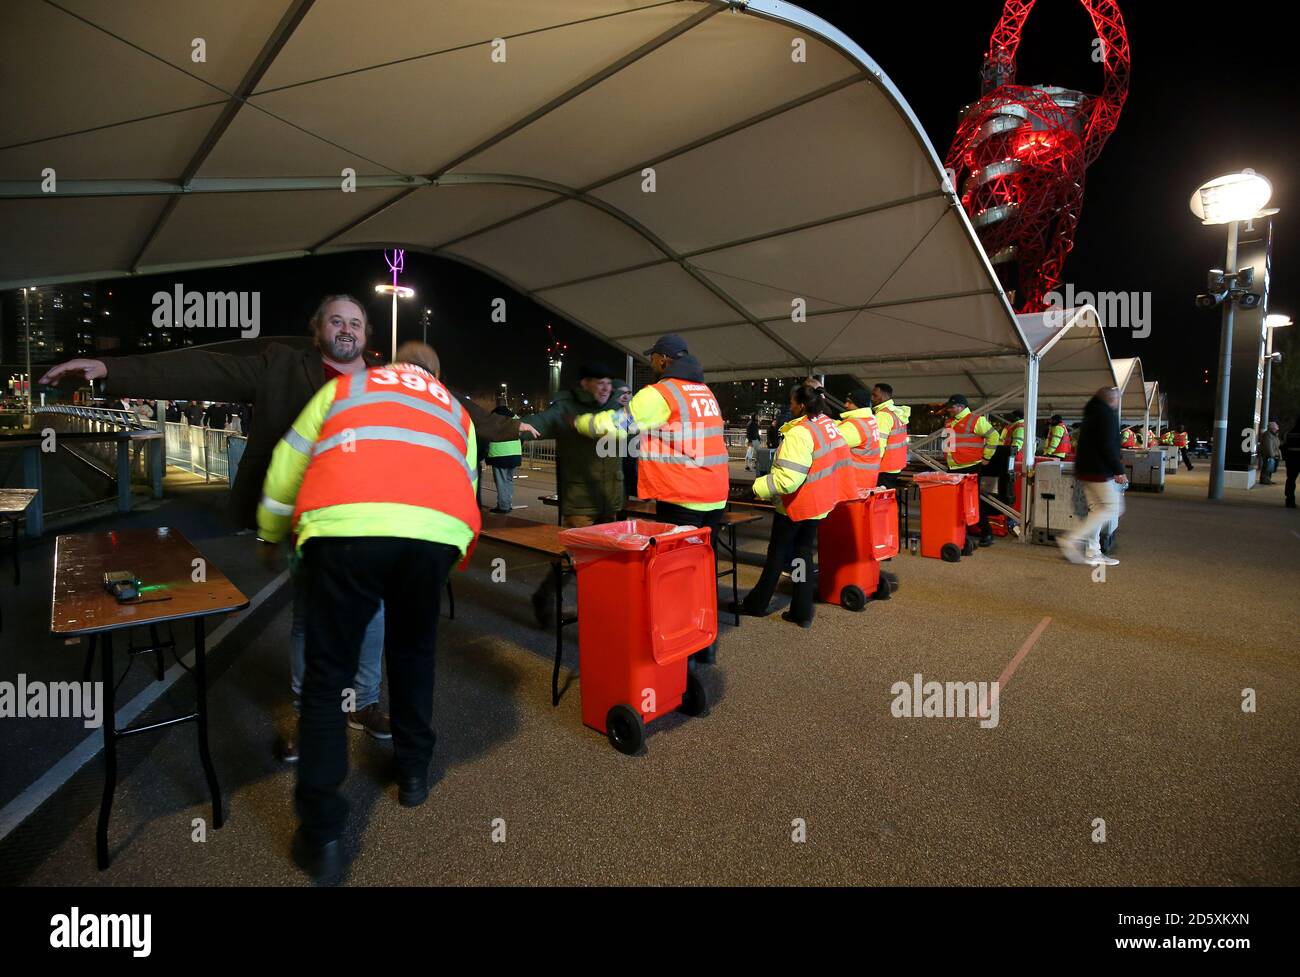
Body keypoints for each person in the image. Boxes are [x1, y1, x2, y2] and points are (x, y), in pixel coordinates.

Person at [40, 295, 530, 757]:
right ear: (317, 330)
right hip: (308, 519)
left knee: (375, 616)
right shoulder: (279, 364)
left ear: (367, 335)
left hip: (370, 520)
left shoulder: (384, 378)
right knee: (310, 619)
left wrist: (509, 426)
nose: (345, 329)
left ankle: (362, 703)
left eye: (355, 323)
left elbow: (449, 402)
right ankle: (309, 717)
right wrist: (113, 368)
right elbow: (206, 369)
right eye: (336, 321)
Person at [257, 341, 478, 884]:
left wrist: (269, 532)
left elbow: (289, 464)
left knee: (327, 675)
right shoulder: (455, 410)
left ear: (391, 364)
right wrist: (450, 553)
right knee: (414, 655)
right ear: (434, 374)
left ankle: (323, 834)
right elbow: (464, 485)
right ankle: (413, 774)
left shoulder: (346, 388)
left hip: (346, 531)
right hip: (433, 538)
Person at [574, 335, 729, 661]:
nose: (651, 364)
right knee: (701, 569)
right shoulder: (704, 392)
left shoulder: (662, 392)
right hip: (714, 495)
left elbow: (620, 424)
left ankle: (680, 650)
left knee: (677, 574)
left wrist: (585, 423)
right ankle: (705, 644)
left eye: (653, 359)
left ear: (662, 359)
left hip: (683, 495)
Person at [733, 384, 856, 628]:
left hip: (797, 505)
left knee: (776, 556)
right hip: (818, 503)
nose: (789, 407)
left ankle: (756, 604)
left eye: (791, 403)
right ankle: (801, 609)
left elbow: (788, 479)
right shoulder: (827, 425)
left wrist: (754, 490)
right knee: (802, 555)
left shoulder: (800, 433)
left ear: (801, 405)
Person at [522, 362, 624, 625]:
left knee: (605, 560)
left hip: (609, 498)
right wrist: (512, 428)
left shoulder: (615, 408)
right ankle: (548, 598)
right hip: (580, 502)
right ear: (584, 383)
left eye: (608, 383)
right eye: (599, 382)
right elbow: (538, 423)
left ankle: (599, 613)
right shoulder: (566, 408)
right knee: (576, 559)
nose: (605, 388)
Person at [1057, 386, 1126, 567]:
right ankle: (1072, 539)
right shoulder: (1107, 416)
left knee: (1097, 509)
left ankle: (1093, 552)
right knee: (1113, 508)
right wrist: (1119, 469)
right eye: (1117, 399)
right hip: (1099, 471)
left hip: (1086, 469)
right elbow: (1108, 446)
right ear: (1112, 400)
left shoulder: (1091, 414)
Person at [940, 394, 999, 546]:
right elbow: (948, 444)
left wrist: (987, 456)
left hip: (970, 467)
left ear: (960, 406)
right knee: (956, 502)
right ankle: (961, 532)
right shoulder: (949, 422)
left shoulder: (976, 420)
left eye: (951, 407)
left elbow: (994, 436)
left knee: (973, 501)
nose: (949, 410)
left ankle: (987, 532)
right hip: (953, 467)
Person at [838, 389, 882, 492]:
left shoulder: (854, 427)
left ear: (859, 404)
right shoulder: (869, 419)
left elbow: (830, 443)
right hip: (866, 479)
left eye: (849, 402)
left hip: (853, 482)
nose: (845, 405)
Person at [870, 383, 910, 489]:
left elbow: (879, 445)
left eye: (875, 395)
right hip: (896, 465)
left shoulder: (883, 415)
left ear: (883, 396)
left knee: (880, 502)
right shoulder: (897, 412)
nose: (872, 398)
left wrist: (871, 466)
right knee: (887, 500)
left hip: (885, 467)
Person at [486, 401, 522, 514]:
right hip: (515, 454)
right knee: (509, 480)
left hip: (499, 454)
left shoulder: (494, 419)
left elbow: (486, 435)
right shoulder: (515, 418)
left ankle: (503, 506)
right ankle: (508, 503)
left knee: (501, 482)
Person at [1283, 416, 1300, 508]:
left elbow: (1284, 446)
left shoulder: (1289, 433)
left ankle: (1289, 500)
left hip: (1291, 460)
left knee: (1290, 480)